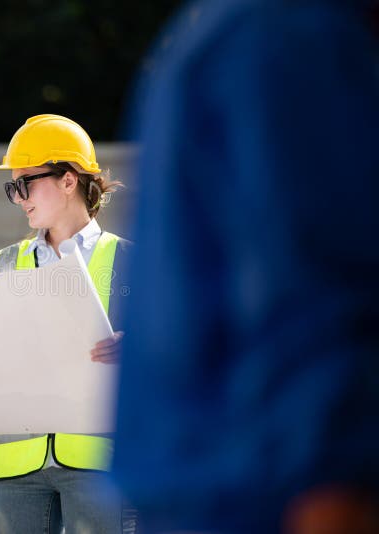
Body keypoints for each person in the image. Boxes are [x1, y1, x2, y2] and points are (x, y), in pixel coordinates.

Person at [112, 1, 379, 533]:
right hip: (267, 489)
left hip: (217, 478)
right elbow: (311, 292)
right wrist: (335, 488)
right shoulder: (291, 36)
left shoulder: (244, 35)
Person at [0, 114, 129, 534]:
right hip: (17, 466)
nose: (18, 198)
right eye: (12, 188)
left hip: (97, 460)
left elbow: (181, 346)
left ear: (68, 180)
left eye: (25, 184)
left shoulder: (131, 261)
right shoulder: (1, 265)